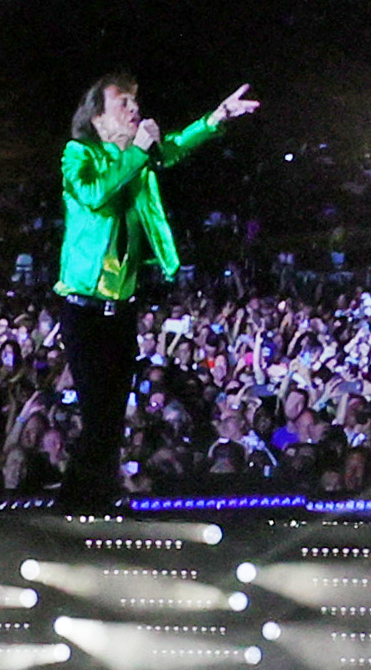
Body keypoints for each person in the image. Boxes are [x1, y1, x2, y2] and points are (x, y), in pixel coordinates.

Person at [54, 72, 259, 510]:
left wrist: (216, 117)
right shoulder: (79, 154)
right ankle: (76, 503)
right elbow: (94, 195)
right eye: (122, 103)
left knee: (112, 415)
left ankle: (97, 499)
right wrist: (135, 152)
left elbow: (175, 147)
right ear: (97, 118)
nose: (133, 109)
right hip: (84, 307)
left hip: (122, 307)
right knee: (95, 413)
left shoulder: (142, 157)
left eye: (134, 101)